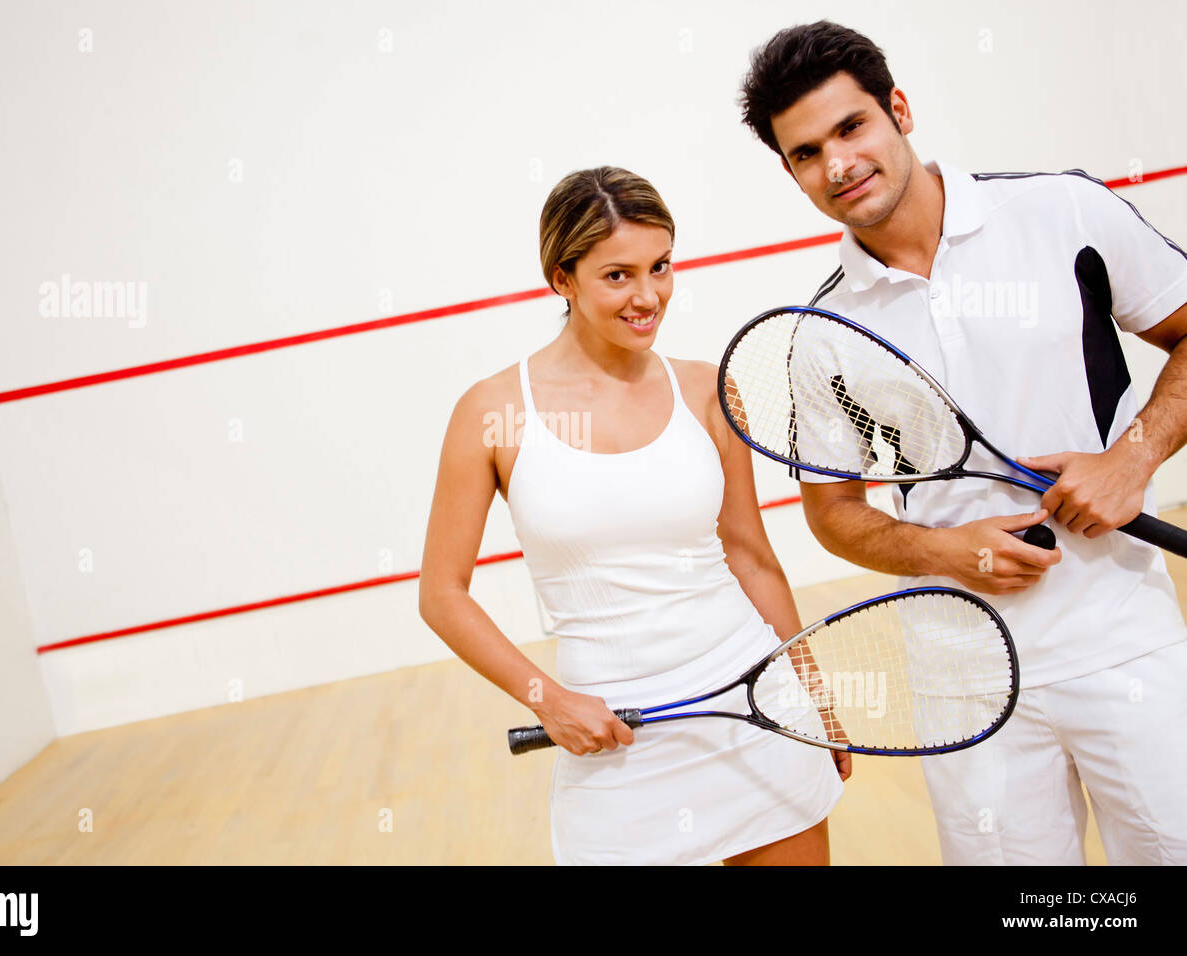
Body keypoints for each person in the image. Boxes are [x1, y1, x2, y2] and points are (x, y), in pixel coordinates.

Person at [737, 20, 1187, 865]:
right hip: (965, 676)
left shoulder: (1060, 211)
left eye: (851, 127)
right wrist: (944, 551)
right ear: (791, 173)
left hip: (1123, 637)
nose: (838, 164)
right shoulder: (824, 332)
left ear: (899, 110)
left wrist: (1132, 458)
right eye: (807, 153)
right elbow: (833, 512)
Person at [418, 166, 847, 865]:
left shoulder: (706, 388)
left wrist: (813, 694)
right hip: (613, 737)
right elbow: (441, 594)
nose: (648, 296)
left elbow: (751, 556)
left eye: (661, 267)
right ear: (562, 278)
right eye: (618, 275)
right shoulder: (493, 412)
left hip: (754, 707)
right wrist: (547, 698)